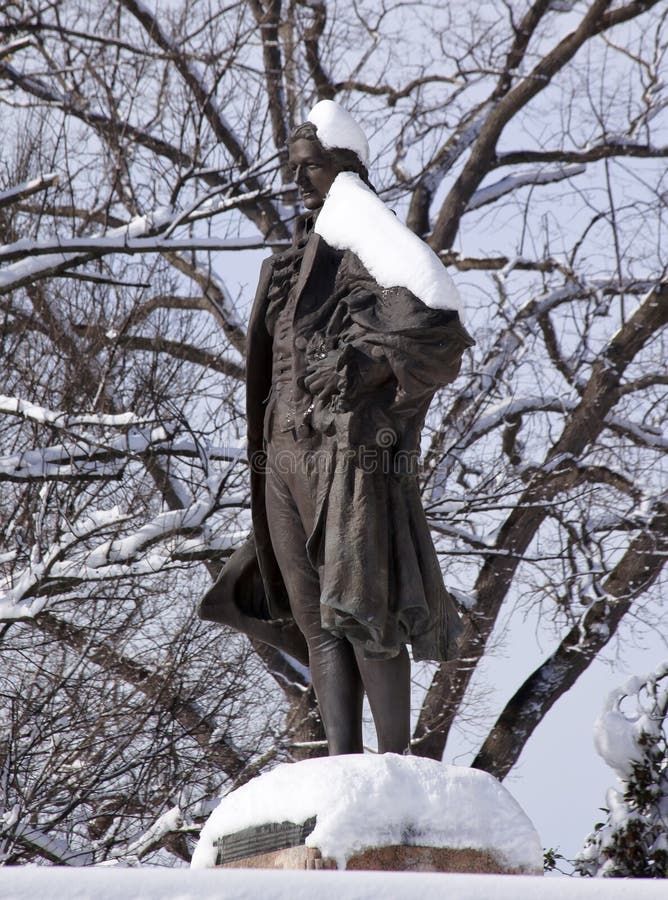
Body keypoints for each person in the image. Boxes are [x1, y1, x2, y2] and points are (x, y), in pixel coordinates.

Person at [200, 101, 474, 756]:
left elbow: (439, 331)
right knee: (316, 620)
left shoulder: (367, 249)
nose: (299, 185)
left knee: (364, 614)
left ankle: (393, 766)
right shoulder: (286, 267)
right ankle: (343, 769)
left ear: (345, 170)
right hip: (282, 461)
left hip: (343, 458)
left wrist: (380, 403)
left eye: (311, 169)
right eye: (295, 171)